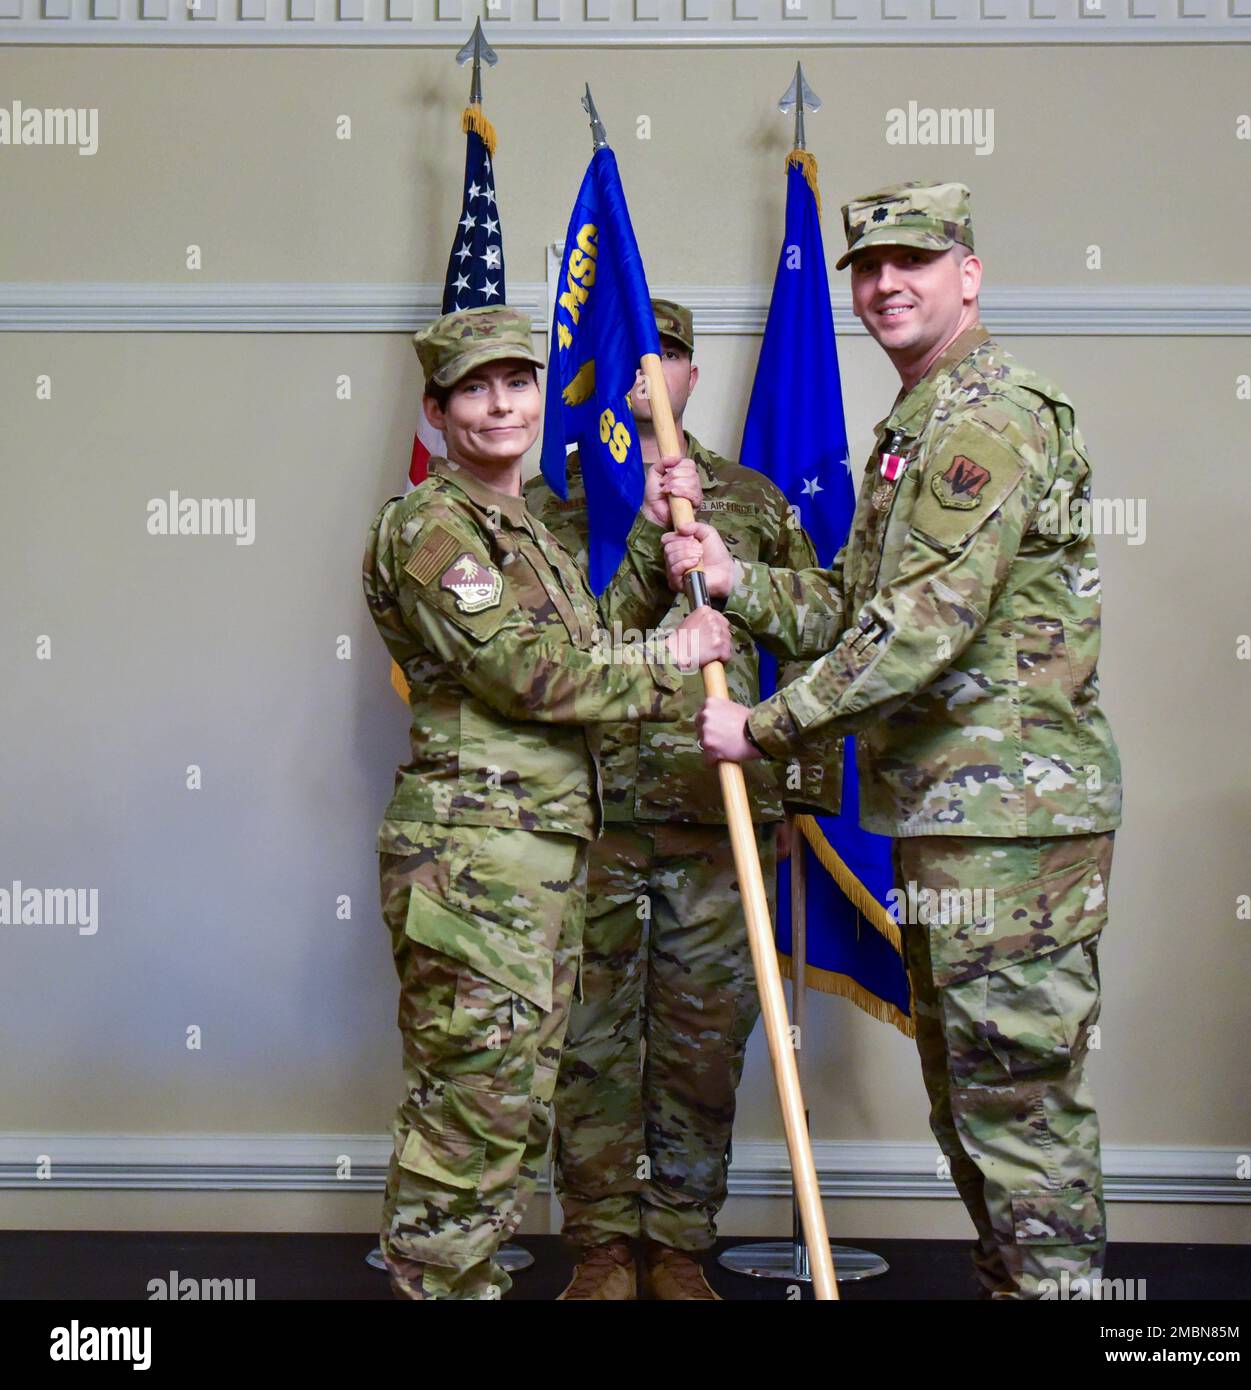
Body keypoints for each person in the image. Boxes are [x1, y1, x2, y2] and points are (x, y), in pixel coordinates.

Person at [661, 183, 1123, 1300]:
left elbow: (920, 629)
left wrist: (759, 726)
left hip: (1008, 824)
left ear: (971, 272)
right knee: (973, 1099)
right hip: (949, 818)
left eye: (912, 260)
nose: (884, 284)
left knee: (1013, 1105)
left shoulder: (987, 417)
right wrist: (732, 577)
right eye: (866, 268)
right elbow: (853, 608)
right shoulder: (916, 427)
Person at [362, 304, 732, 1301]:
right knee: (471, 1118)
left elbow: (589, 640)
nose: (502, 404)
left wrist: (660, 546)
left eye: (517, 382)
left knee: (516, 1112)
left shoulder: (525, 531)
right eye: (475, 387)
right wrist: (673, 660)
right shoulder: (434, 528)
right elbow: (534, 676)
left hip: (536, 862)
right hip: (473, 864)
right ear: (437, 410)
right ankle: (441, 1284)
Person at [526, 298, 842, 1300]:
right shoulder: (552, 503)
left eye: (668, 354)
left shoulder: (751, 498)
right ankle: (601, 1248)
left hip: (722, 821)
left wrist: (795, 798)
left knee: (704, 1049)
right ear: (602, 378)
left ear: (694, 374)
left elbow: (819, 634)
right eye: (631, 358)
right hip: (596, 813)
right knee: (591, 1044)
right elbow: (542, 660)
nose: (649, 373)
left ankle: (678, 1245)